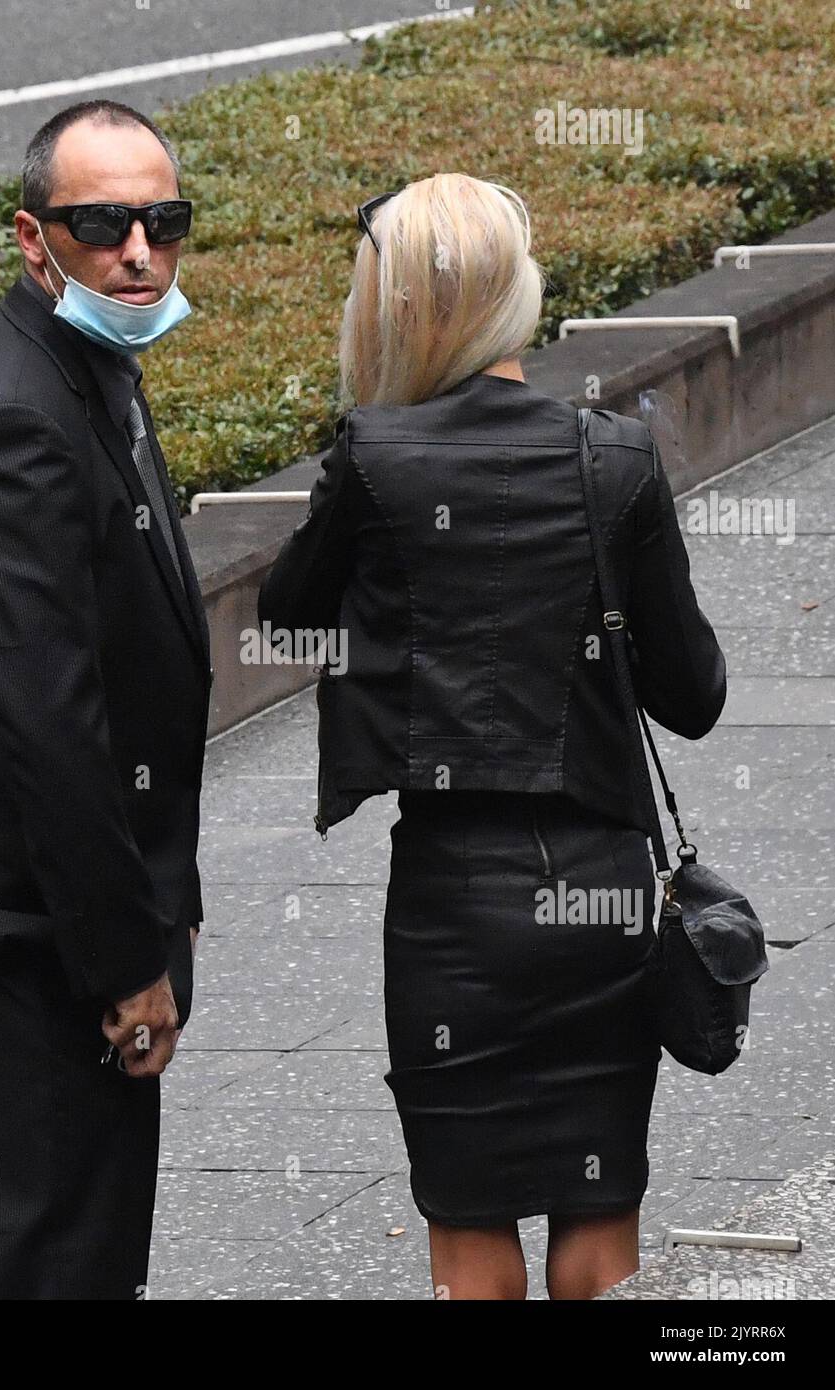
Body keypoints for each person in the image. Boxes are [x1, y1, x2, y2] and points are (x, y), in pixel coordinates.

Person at [257, 174, 726, 1300]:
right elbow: (693, 694)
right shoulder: (612, 455)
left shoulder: (372, 457)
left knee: (469, 1230)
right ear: (515, 297)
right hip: (604, 887)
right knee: (599, 1215)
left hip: (451, 904)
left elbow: (283, 613)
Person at [0, 99, 212, 1299]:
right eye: (103, 222)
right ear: (31, 237)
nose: (137, 251)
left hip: (62, 917)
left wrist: (173, 899)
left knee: (45, 1256)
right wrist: (129, 959)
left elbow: (138, 672)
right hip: (13, 942)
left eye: (162, 221)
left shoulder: (89, 364)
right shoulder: (6, 426)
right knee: (57, 1264)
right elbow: (50, 730)